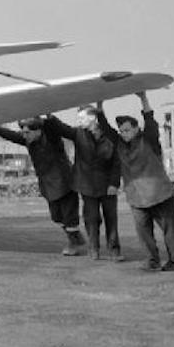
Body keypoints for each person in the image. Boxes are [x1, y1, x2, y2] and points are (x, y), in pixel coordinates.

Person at [104, 91, 174, 271]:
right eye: (121, 131)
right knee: (143, 233)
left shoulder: (149, 139)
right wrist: (100, 106)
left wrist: (143, 97)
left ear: (137, 128)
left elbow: (150, 120)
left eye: (128, 130)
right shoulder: (120, 144)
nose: (124, 134)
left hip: (160, 194)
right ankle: (151, 261)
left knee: (169, 230)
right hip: (137, 198)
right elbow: (106, 128)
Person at [0, 116, 86, 255]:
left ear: (38, 131)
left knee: (69, 216)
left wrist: (47, 116)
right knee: (56, 217)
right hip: (47, 184)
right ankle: (77, 237)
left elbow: (53, 126)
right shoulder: (28, 140)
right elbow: (10, 135)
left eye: (27, 132)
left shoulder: (52, 139)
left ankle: (74, 244)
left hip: (65, 183)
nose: (24, 135)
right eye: (23, 132)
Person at [52, 104, 123, 261]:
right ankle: (94, 249)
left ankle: (114, 250)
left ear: (92, 118)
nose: (79, 121)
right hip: (87, 186)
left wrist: (114, 184)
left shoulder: (110, 135)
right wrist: (49, 115)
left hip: (107, 186)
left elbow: (116, 163)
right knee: (91, 219)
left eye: (82, 118)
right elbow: (62, 128)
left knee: (111, 219)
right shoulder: (78, 134)